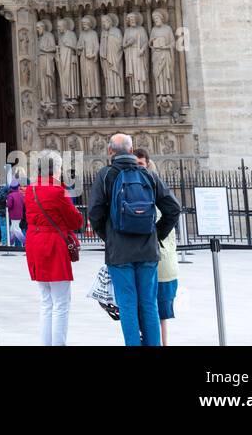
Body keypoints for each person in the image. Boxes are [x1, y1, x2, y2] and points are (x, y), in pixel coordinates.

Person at [86, 133, 180, 346]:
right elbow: (173, 209)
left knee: (127, 304)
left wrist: (108, 236)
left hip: (119, 252)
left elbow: (94, 213)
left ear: (110, 151)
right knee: (149, 304)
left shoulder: (105, 175)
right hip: (147, 250)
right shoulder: (149, 175)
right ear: (131, 151)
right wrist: (156, 234)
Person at [23, 151, 84, 346]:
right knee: (61, 303)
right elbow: (75, 220)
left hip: (35, 243)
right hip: (53, 245)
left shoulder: (31, 190)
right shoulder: (57, 190)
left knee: (46, 301)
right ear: (56, 169)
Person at [135, 149, 178, 345]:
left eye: (141, 165)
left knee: (156, 314)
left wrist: (154, 238)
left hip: (160, 265)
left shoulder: (157, 196)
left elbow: (165, 220)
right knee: (148, 313)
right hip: (148, 263)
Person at [6, 176, 27, 247]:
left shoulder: (10, 195)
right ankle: (10, 242)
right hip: (20, 214)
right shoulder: (20, 195)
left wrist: (6, 203)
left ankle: (25, 243)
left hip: (13, 215)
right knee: (12, 229)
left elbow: (9, 205)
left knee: (16, 230)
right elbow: (24, 203)